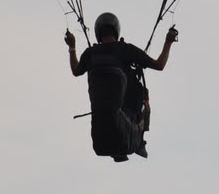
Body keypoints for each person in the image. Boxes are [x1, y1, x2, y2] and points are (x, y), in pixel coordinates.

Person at [65, 13, 178, 161]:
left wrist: (72, 46)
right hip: (125, 111)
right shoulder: (126, 49)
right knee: (145, 104)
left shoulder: (91, 53)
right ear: (116, 30)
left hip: (100, 121)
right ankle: (140, 143)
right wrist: (168, 41)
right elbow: (159, 65)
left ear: (98, 32)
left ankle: (119, 144)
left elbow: (76, 70)